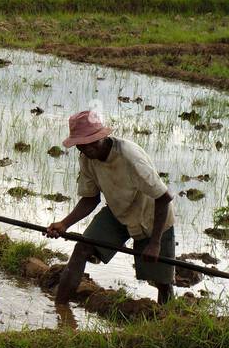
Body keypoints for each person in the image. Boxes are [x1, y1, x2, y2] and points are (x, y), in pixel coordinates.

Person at [46, 109, 176, 305]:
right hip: (118, 212)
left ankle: (167, 323)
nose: (87, 149)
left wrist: (155, 243)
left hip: (152, 216)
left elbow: (163, 198)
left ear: (102, 136)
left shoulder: (129, 157)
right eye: (81, 145)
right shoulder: (87, 159)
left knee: (161, 280)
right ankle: (59, 310)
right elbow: (90, 199)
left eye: (91, 142)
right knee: (82, 247)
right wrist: (64, 224)